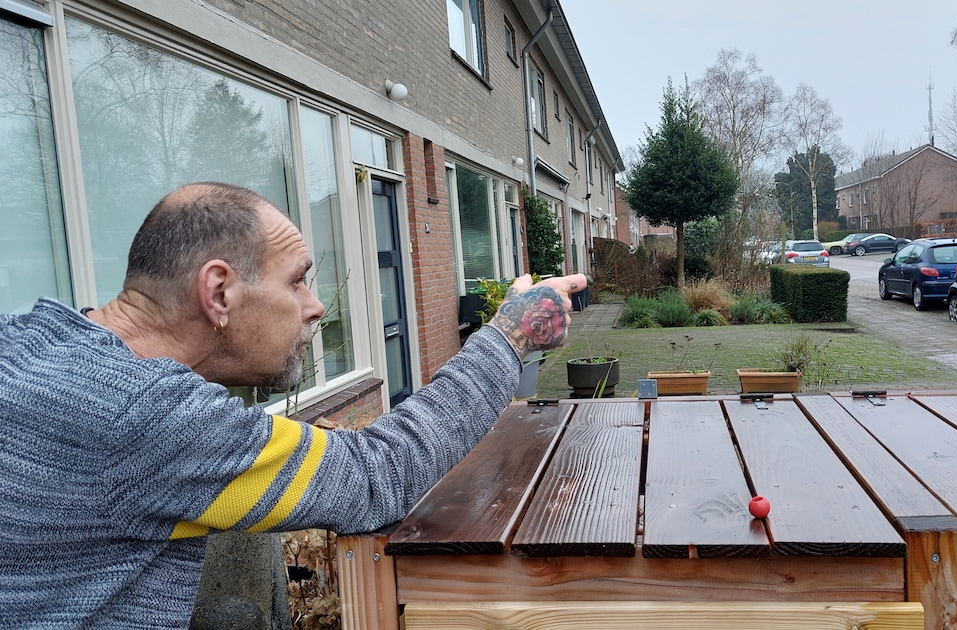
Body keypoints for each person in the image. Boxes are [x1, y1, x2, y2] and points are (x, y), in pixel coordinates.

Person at [0, 182, 585, 629]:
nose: (316, 308)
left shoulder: (31, 341)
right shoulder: (142, 413)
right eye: (298, 282)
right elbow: (377, 474)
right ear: (220, 292)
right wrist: (514, 333)